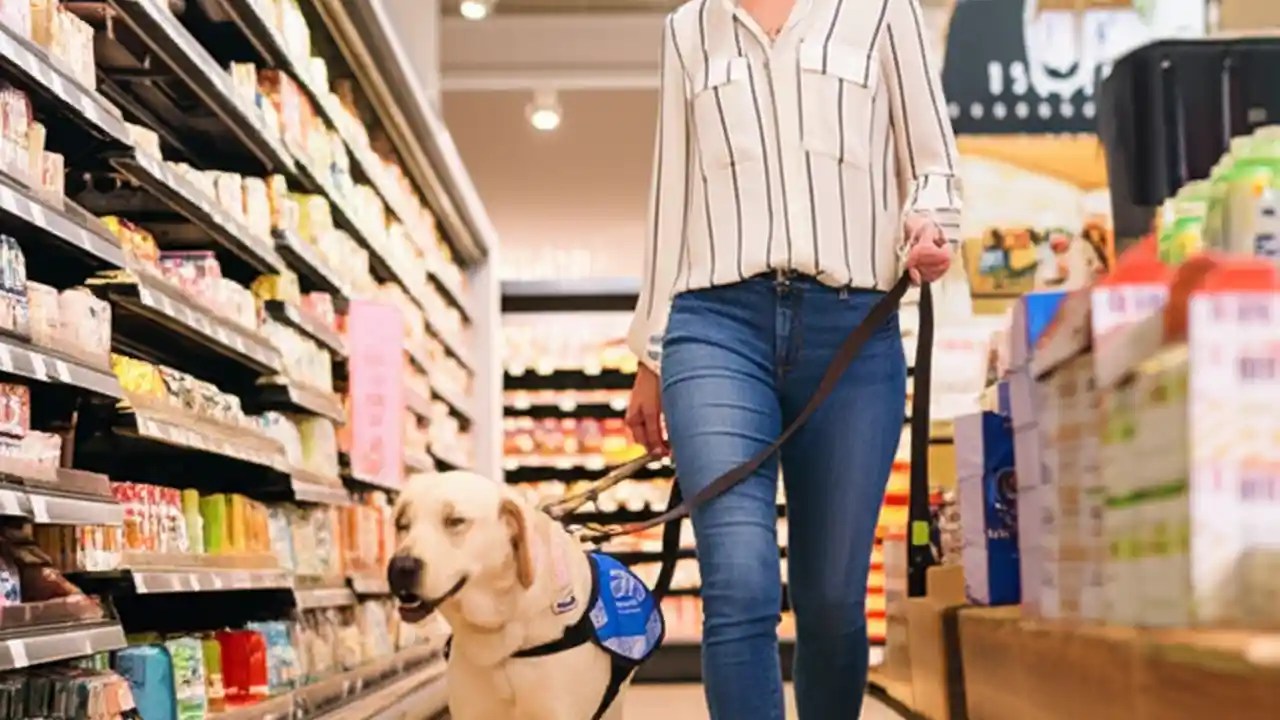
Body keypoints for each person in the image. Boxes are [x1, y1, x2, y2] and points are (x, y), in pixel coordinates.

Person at [623, 0, 960, 717]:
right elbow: (669, 195)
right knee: (738, 586)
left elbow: (933, 163)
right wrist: (651, 352)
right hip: (715, 327)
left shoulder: (880, 13)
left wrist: (929, 223)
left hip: (853, 330)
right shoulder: (689, 29)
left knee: (832, 595)